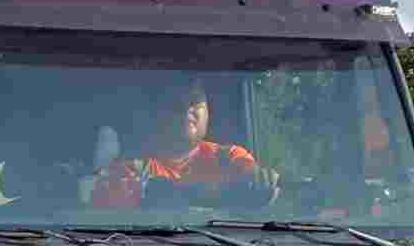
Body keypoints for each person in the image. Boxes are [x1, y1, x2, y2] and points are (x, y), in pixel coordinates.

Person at [90, 76, 280, 210]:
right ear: (158, 113)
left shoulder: (229, 157)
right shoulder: (131, 169)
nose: (187, 109)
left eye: (195, 101)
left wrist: (261, 183)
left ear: (208, 111)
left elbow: (250, 174)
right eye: (176, 103)